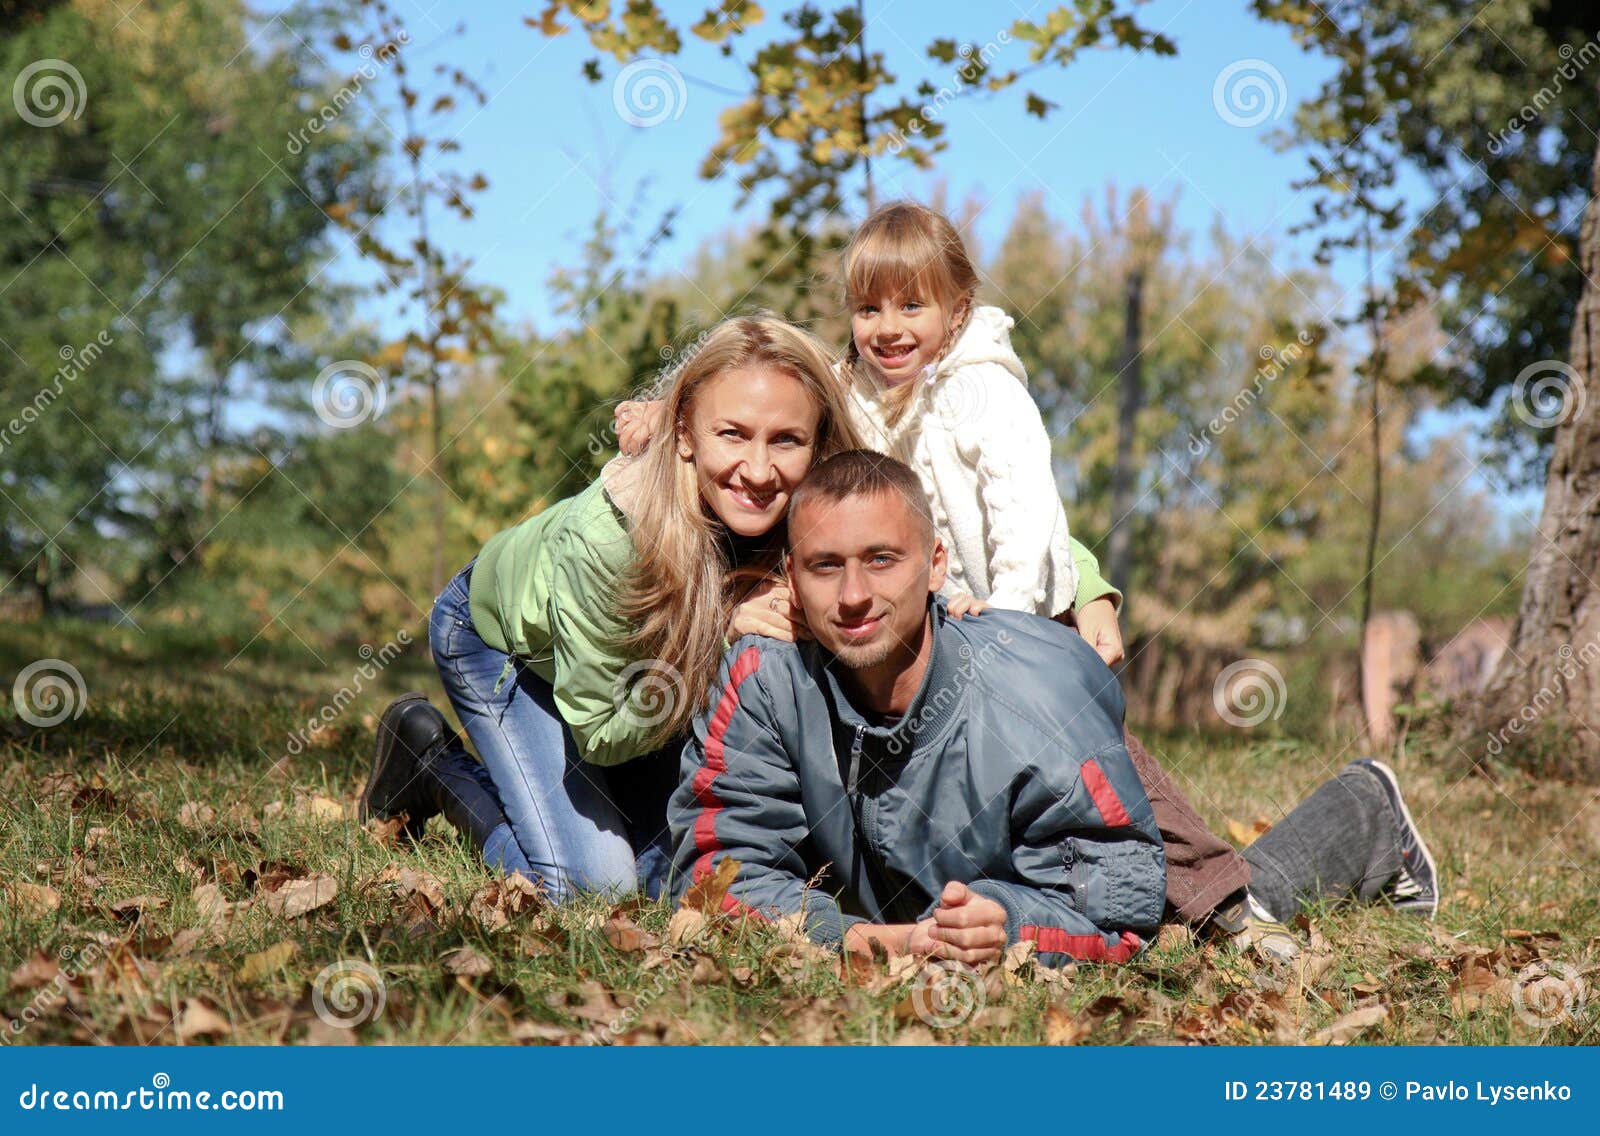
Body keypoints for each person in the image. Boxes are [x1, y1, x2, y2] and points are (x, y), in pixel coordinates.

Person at [620, 201, 1286, 954]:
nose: (888, 327)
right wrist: (668, 407)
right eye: (868, 309)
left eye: (913, 306)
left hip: (1009, 620)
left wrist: (1047, 610)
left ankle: (1225, 901)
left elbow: (1029, 512)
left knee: (1106, 770)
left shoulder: (987, 394)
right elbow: (765, 386)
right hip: (924, 626)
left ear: (959, 310)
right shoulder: (856, 388)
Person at [667, 452, 1438, 963]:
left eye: (882, 560)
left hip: (1047, 824)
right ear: (790, 576)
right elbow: (717, 871)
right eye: (825, 566)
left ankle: (1366, 809)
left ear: (936, 565)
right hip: (906, 895)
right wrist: (872, 942)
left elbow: (1118, 907)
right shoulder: (765, 674)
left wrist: (1008, 922)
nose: (855, 595)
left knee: (1215, 922)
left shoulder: (1040, 696)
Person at [357, 315, 864, 900]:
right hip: (509, 646)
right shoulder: (608, 542)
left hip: (635, 670)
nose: (757, 469)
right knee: (593, 886)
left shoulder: (819, 511)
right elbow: (601, 733)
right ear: (684, 433)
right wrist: (720, 637)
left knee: (672, 872)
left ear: (817, 441)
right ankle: (430, 765)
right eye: (732, 434)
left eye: (787, 440)